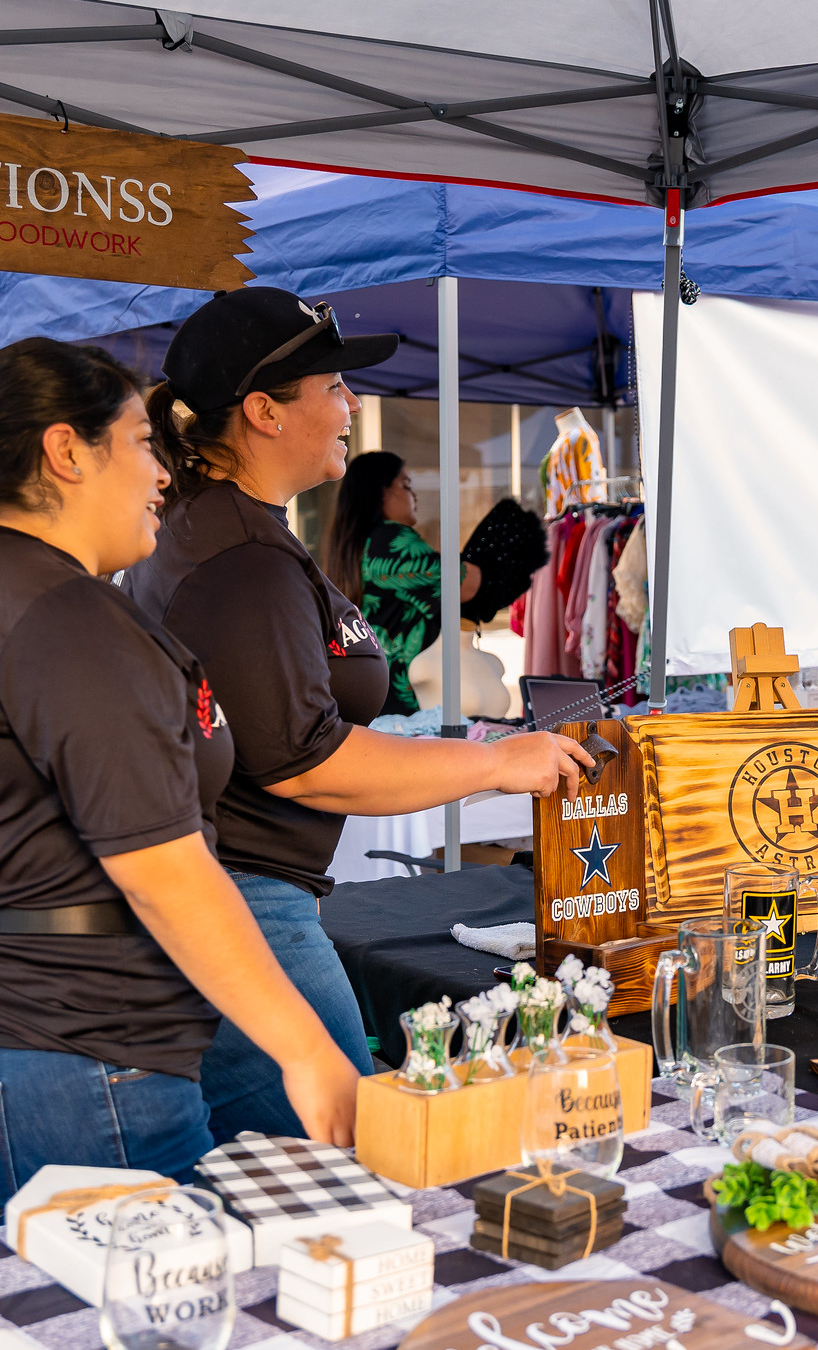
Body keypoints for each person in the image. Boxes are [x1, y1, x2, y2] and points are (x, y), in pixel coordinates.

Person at [0, 339, 357, 1218]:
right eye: (143, 443)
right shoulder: (61, 615)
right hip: (64, 1059)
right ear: (67, 453)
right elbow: (165, 874)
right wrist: (306, 1049)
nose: (162, 472)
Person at [125, 287, 589, 1141]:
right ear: (263, 411)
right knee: (347, 1158)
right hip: (250, 902)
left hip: (246, 896)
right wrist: (497, 762)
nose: (354, 404)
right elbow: (306, 763)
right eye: (333, 386)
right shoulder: (238, 560)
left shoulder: (237, 533)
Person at [322, 450, 482, 715]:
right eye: (406, 485)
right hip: (404, 695)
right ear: (382, 492)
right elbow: (467, 583)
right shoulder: (391, 539)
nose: (414, 495)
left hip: (368, 687)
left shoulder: (354, 544)